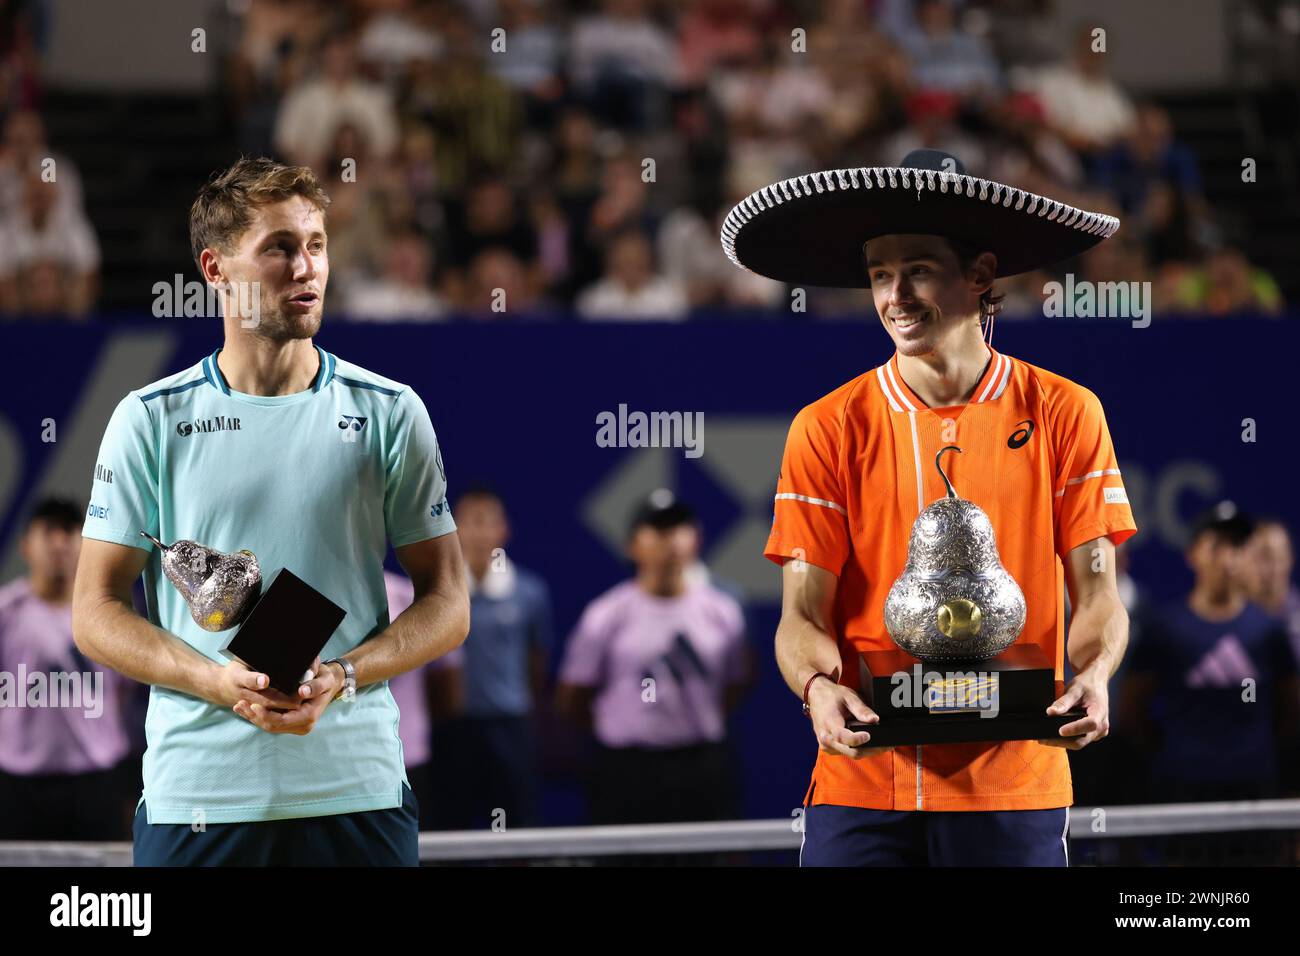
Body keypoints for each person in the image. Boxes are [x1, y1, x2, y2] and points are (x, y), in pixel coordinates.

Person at [723, 148, 1137, 866]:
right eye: (880, 274)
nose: (894, 295)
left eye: (916, 268)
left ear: (979, 276)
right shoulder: (827, 425)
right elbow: (801, 615)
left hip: (1015, 782)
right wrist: (818, 687)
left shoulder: (1068, 412)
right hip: (862, 784)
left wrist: (1096, 674)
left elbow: (1098, 593)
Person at [72, 156, 469, 867]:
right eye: (279, 247)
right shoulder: (149, 420)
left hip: (357, 792)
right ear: (216, 269)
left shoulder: (390, 412)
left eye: (317, 244)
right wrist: (210, 680)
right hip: (199, 800)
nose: (306, 268)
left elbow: (449, 601)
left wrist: (345, 674)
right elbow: (94, 612)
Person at [556, 490, 751, 825]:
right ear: (633, 545)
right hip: (627, 770)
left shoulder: (724, 612)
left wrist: (691, 721)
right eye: (659, 530)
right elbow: (572, 697)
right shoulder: (606, 615)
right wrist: (620, 724)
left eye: (679, 529)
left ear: (696, 540)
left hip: (701, 767)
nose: (671, 541)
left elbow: (739, 681)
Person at [1121, 504, 1299, 804]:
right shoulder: (1165, 629)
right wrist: (1176, 756)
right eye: (1217, 546)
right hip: (1182, 792)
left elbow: (1291, 709)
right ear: (1193, 555)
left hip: (1256, 793)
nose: (1228, 559)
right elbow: (1132, 712)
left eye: (1237, 546)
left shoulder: (1269, 631)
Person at [0, 498, 136, 841]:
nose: (60, 543)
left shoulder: (110, 616)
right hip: (19, 787)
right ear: (26, 546)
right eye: (49, 532)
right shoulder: (6, 612)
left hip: (95, 784)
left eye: (70, 531)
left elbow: (122, 691)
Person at [431, 487, 553, 830]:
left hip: (511, 725)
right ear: (455, 530)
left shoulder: (531, 593)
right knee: (450, 822)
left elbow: (535, 663)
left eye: (490, 523)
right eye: (472, 522)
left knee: (515, 822)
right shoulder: (437, 595)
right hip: (455, 730)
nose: (481, 533)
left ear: (504, 530)